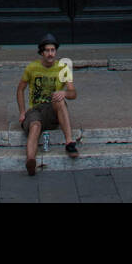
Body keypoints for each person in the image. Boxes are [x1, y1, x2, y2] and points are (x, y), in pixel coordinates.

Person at [17, 32, 78, 176]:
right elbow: (20, 89)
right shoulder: (32, 68)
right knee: (35, 125)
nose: (50, 54)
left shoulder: (63, 68)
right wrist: (22, 111)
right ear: (41, 52)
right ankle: (31, 160)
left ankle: (69, 142)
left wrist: (64, 93)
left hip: (53, 110)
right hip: (36, 109)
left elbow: (73, 93)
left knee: (60, 99)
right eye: (47, 51)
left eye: (53, 50)